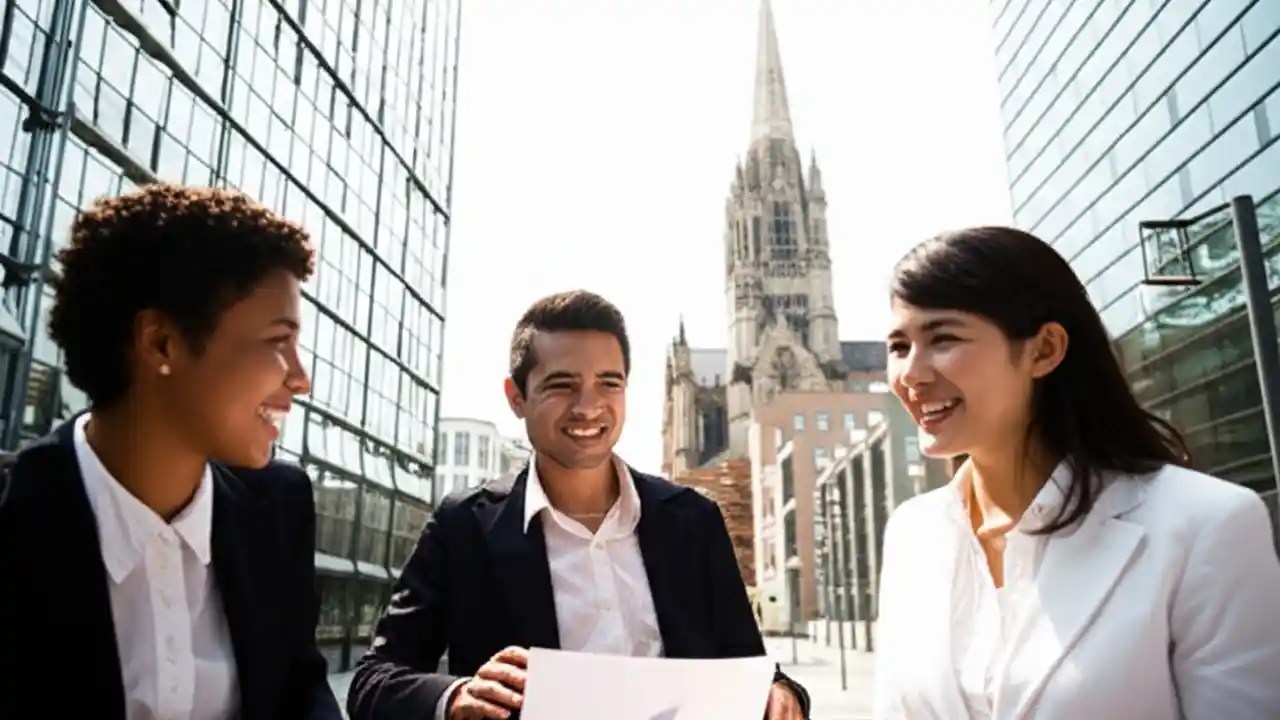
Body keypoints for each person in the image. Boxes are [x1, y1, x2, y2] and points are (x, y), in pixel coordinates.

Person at [873, 226, 1280, 719]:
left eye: (943, 339)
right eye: (899, 346)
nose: (912, 374)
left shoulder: (1208, 524)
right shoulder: (913, 534)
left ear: (1044, 350)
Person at [347, 290, 810, 720]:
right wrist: (455, 697)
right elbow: (372, 682)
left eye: (609, 383)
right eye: (562, 385)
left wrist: (782, 694)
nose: (588, 406)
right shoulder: (463, 525)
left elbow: (753, 668)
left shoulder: (693, 520)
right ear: (517, 398)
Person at [0, 184, 342, 720]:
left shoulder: (278, 506)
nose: (300, 379)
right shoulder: (14, 516)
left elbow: (300, 690)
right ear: (161, 343)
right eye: (278, 341)